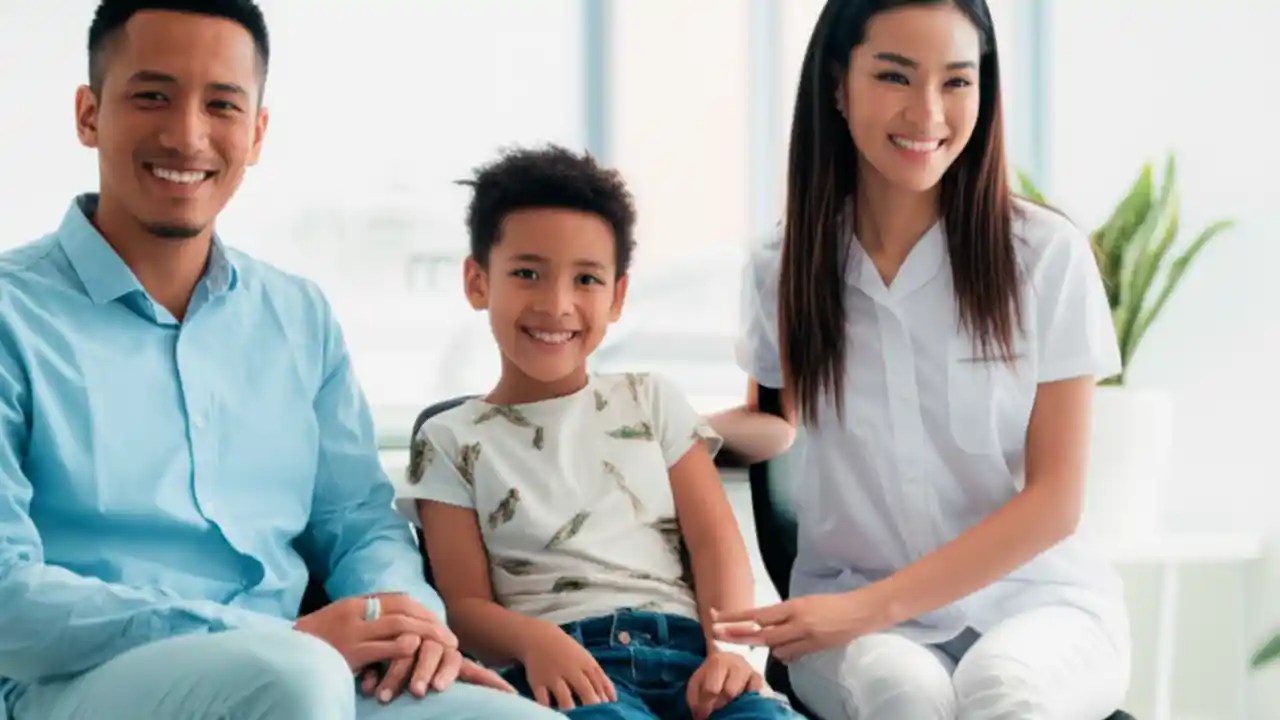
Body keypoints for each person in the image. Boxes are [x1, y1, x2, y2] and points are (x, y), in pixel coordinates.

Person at [0, 2, 560, 719]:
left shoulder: (298, 316)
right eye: (151, 96)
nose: (187, 134)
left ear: (257, 132)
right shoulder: (14, 315)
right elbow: (9, 594)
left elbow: (356, 519)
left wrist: (412, 621)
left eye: (222, 105)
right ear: (88, 114)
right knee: (293, 681)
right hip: (86, 683)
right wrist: (281, 637)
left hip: (313, 668)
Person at [714, 1, 1132, 718]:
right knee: (904, 694)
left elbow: (1055, 501)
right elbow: (771, 423)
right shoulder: (781, 267)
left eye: (956, 81)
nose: (927, 112)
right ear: (838, 87)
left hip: (1039, 603)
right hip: (849, 615)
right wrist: (644, 426)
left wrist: (867, 609)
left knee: (1005, 691)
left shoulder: (1045, 257)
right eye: (895, 76)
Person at [395, 145, 801, 720]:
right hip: (564, 674)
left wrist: (729, 650)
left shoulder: (651, 400)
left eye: (585, 278)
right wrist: (535, 643)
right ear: (477, 281)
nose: (556, 304)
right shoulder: (448, 440)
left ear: (617, 297)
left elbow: (716, 545)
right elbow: (462, 605)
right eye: (527, 273)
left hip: (695, 661)